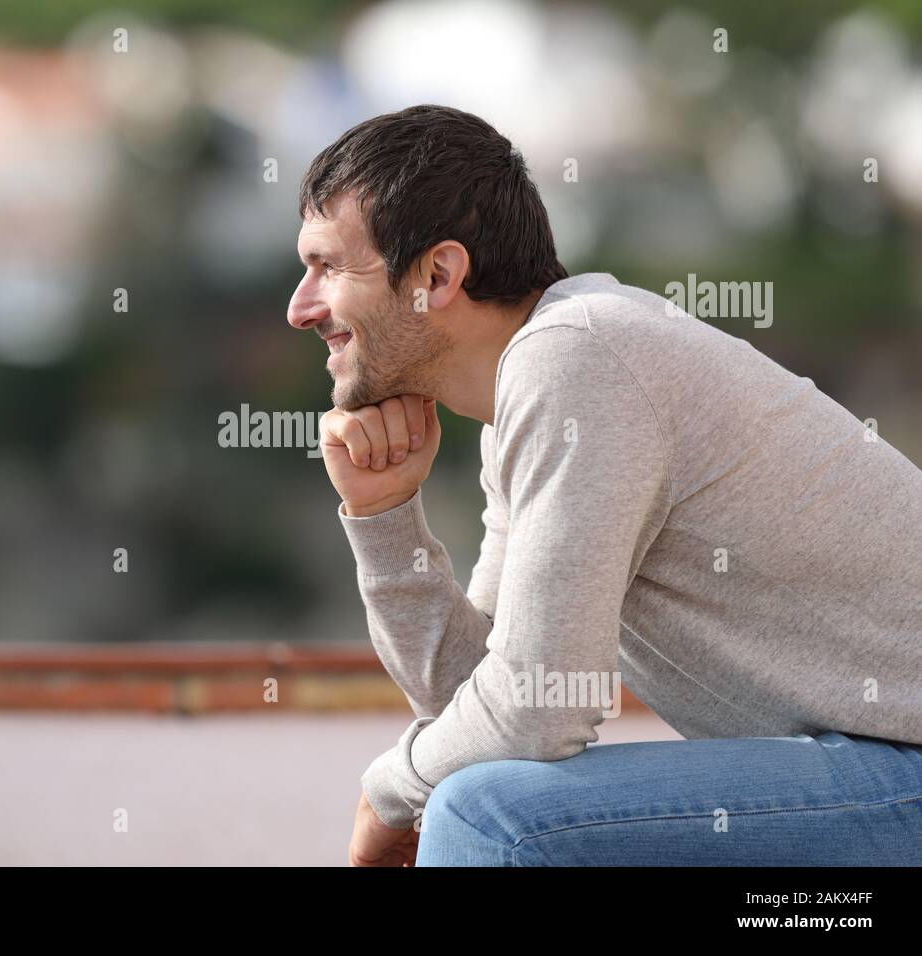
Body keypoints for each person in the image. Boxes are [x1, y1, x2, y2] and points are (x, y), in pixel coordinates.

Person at [286, 104, 922, 867]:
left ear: (438, 274)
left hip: (903, 764)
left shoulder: (576, 359)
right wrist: (384, 516)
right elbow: (482, 699)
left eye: (328, 266)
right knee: (481, 795)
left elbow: (536, 711)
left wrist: (387, 791)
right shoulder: (540, 383)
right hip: (880, 768)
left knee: (489, 817)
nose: (301, 307)